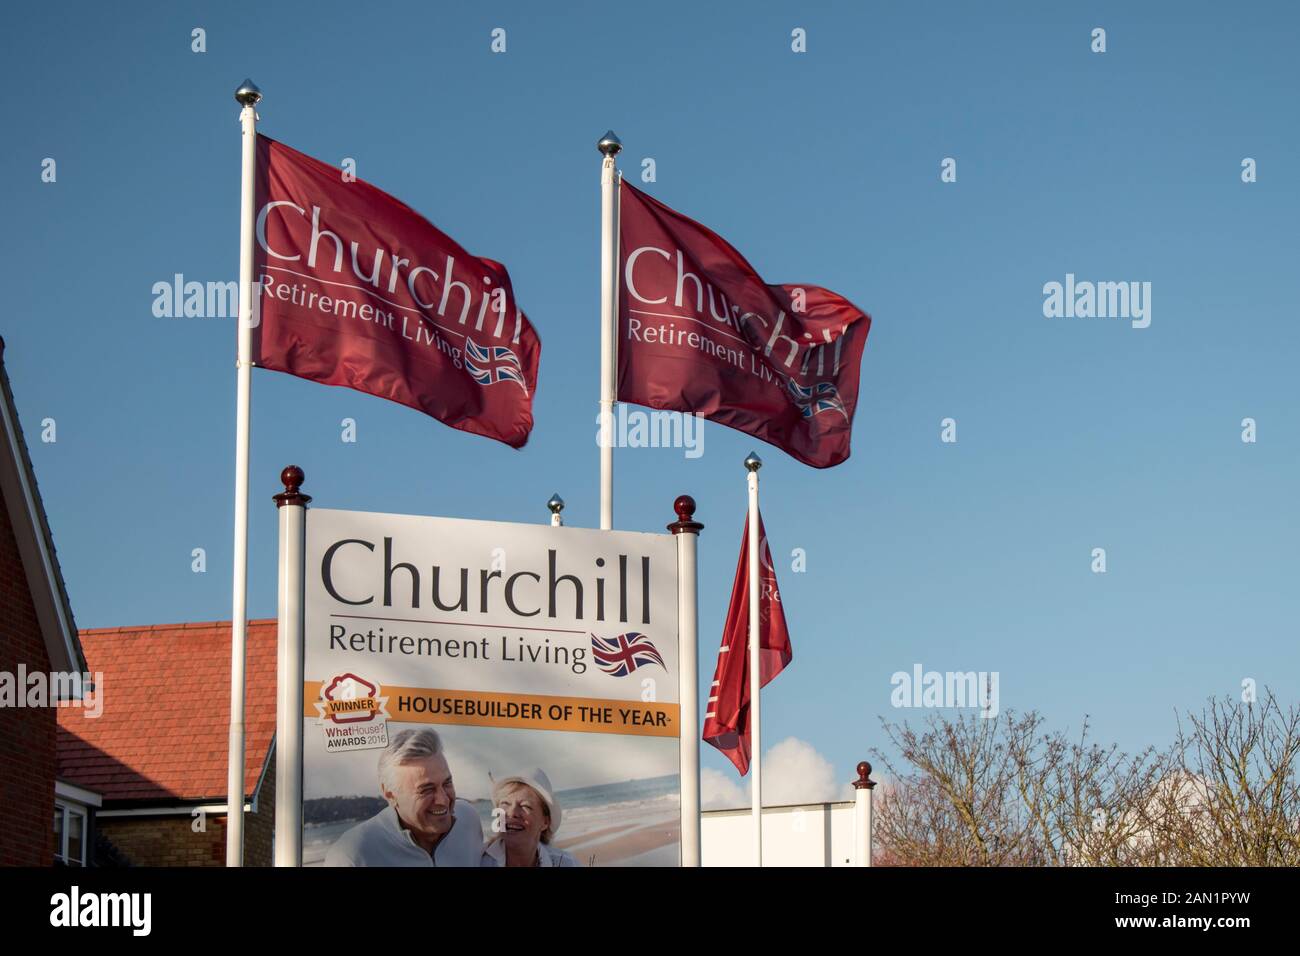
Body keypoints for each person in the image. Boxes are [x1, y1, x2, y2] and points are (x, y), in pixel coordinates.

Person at [325, 728, 483, 866]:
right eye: (426, 790)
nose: (443, 800)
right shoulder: (351, 855)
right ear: (390, 795)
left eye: (447, 783)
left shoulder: (468, 819)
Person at [480, 768, 579, 867]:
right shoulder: (476, 861)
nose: (512, 813)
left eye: (525, 806)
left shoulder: (566, 863)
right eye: (505, 803)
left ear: (545, 822)